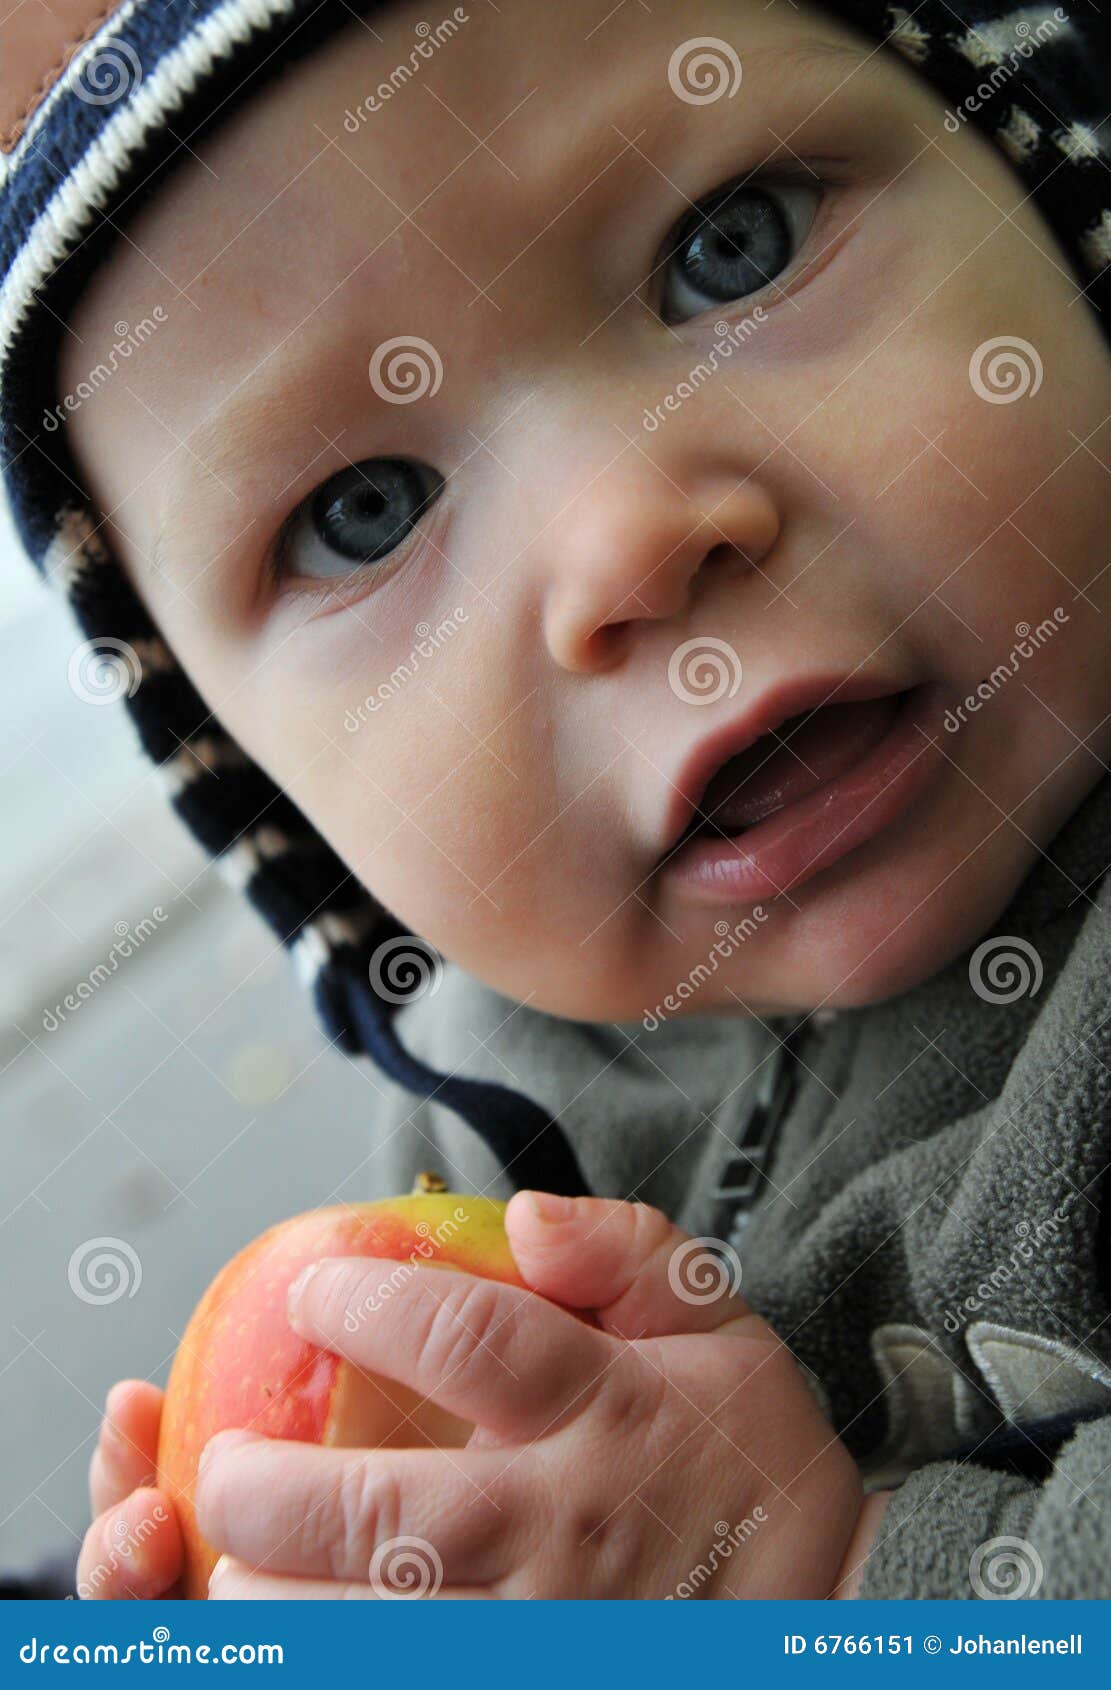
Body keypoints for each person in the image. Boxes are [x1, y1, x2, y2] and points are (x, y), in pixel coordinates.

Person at [2, 0, 1109, 1599]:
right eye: (363, 510)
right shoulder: (492, 1111)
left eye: (732, 244)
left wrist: (835, 1574)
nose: (628, 538)